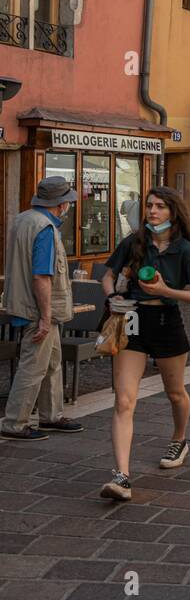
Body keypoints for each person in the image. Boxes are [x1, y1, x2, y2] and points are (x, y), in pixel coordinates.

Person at [98, 186, 190, 500]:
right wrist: (112, 297)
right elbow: (107, 275)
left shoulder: (185, 250)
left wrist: (166, 290)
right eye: (149, 205)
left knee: (175, 392)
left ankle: (180, 438)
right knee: (123, 400)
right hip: (132, 323)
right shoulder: (135, 242)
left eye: (160, 206)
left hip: (166, 322)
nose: (152, 211)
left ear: (173, 212)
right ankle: (121, 477)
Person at [0, 176, 84, 441]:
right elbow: (41, 276)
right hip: (37, 309)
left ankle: (51, 415)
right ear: (61, 204)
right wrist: (46, 317)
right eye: (68, 202)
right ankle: (14, 422)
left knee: (51, 363)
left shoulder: (22, 219)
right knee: (34, 366)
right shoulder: (45, 228)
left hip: (25, 303)